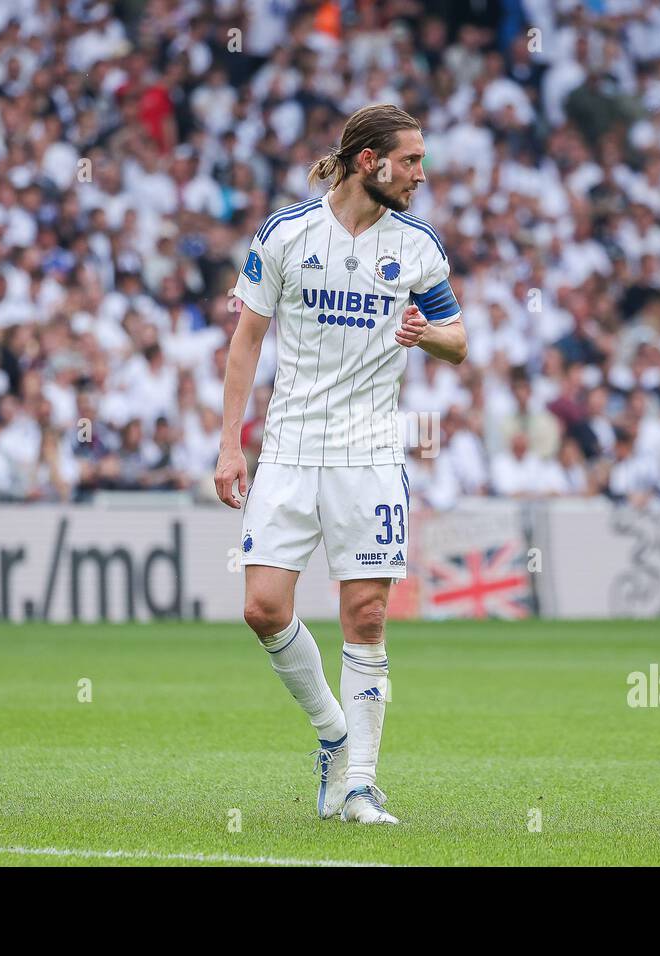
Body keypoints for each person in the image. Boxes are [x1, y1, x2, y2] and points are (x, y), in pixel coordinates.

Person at [215, 104, 467, 825]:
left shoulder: (418, 246)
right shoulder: (287, 234)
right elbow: (246, 342)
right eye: (411, 160)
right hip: (289, 450)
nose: (422, 174)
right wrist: (232, 443)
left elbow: (460, 340)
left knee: (366, 613)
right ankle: (333, 733)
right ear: (369, 161)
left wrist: (428, 336)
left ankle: (359, 783)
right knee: (262, 608)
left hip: (369, 455)